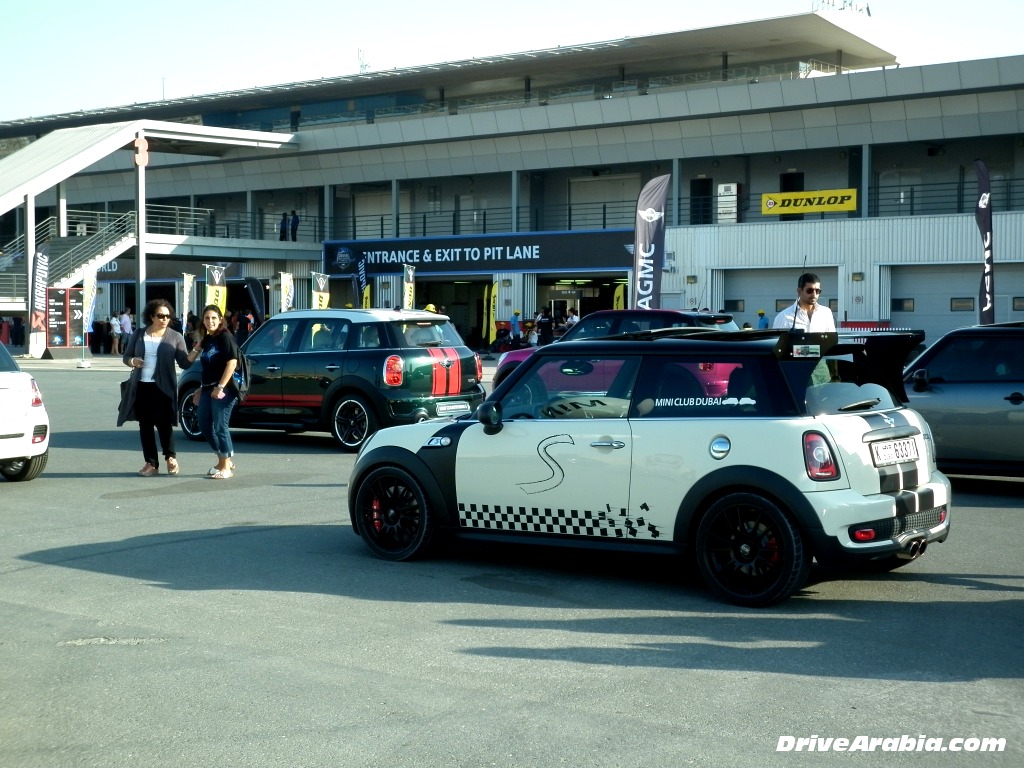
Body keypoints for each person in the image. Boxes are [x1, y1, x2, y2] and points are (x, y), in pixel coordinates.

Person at [119, 299, 193, 476]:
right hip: (142, 386)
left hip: (164, 387)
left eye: (168, 316)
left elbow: (184, 363)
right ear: (151, 316)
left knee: (164, 423)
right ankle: (151, 463)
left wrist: (196, 350)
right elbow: (126, 356)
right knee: (145, 425)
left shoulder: (175, 337)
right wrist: (133, 361)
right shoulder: (138, 334)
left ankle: (170, 457)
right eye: (160, 315)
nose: (165, 319)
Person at [191, 304, 241, 479]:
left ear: (220, 319)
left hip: (224, 389)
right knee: (204, 425)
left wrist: (220, 387)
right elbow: (197, 364)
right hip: (207, 388)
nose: (210, 321)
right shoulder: (208, 338)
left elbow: (232, 363)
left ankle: (226, 466)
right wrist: (201, 388)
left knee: (220, 426)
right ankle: (222, 460)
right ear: (202, 321)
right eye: (206, 318)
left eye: (213, 318)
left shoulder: (225, 337)